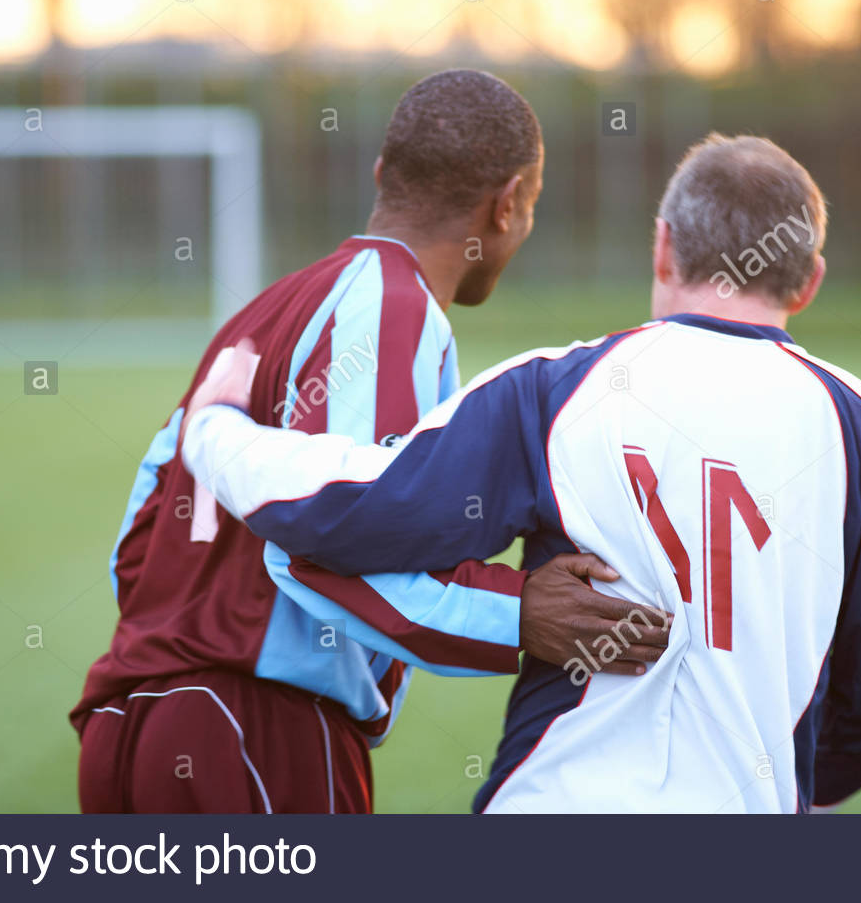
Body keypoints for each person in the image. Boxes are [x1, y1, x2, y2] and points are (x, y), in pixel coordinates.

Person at [178, 133, 861, 813]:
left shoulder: (552, 390)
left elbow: (351, 515)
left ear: (664, 247)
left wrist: (215, 433)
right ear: (809, 280)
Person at [71, 69, 670, 814]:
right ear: (508, 204)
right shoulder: (396, 310)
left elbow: (133, 546)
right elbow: (329, 541)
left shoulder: (262, 314)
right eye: (535, 206)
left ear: (383, 173)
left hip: (125, 730)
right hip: (255, 736)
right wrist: (515, 610)